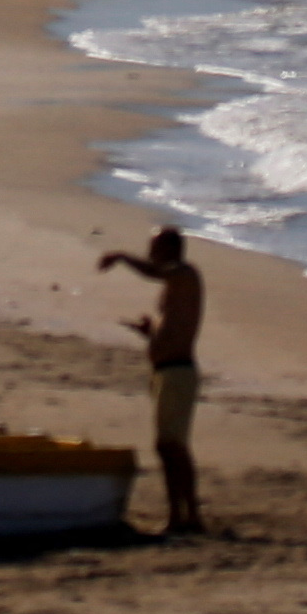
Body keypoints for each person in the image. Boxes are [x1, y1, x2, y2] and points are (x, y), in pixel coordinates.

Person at [97, 224, 207, 535]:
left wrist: (120, 256)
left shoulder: (186, 275)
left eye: (154, 248)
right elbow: (172, 329)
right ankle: (180, 514)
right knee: (168, 447)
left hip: (179, 371)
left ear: (170, 251)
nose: (150, 254)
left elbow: (152, 272)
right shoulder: (174, 284)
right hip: (165, 370)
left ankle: (188, 516)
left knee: (173, 446)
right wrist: (150, 334)